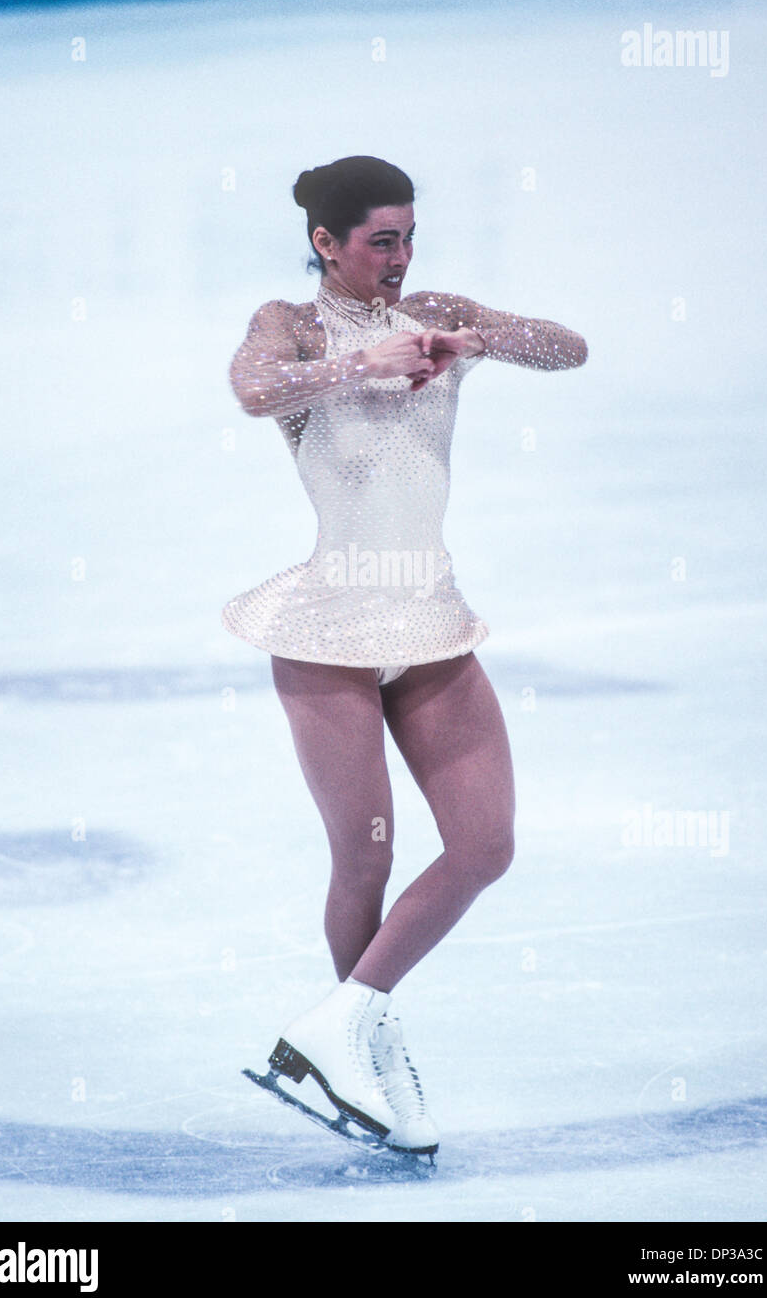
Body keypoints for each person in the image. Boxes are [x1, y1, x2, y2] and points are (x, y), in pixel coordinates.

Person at [224, 155, 587, 1156]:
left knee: (483, 844)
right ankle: (364, 1052)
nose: (399, 258)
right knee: (367, 855)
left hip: (429, 625)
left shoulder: (431, 305)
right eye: (379, 240)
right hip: (330, 633)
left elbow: (568, 348)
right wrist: (354, 364)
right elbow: (255, 390)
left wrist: (477, 338)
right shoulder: (291, 325)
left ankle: (339, 1027)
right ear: (325, 244)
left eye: (408, 236)